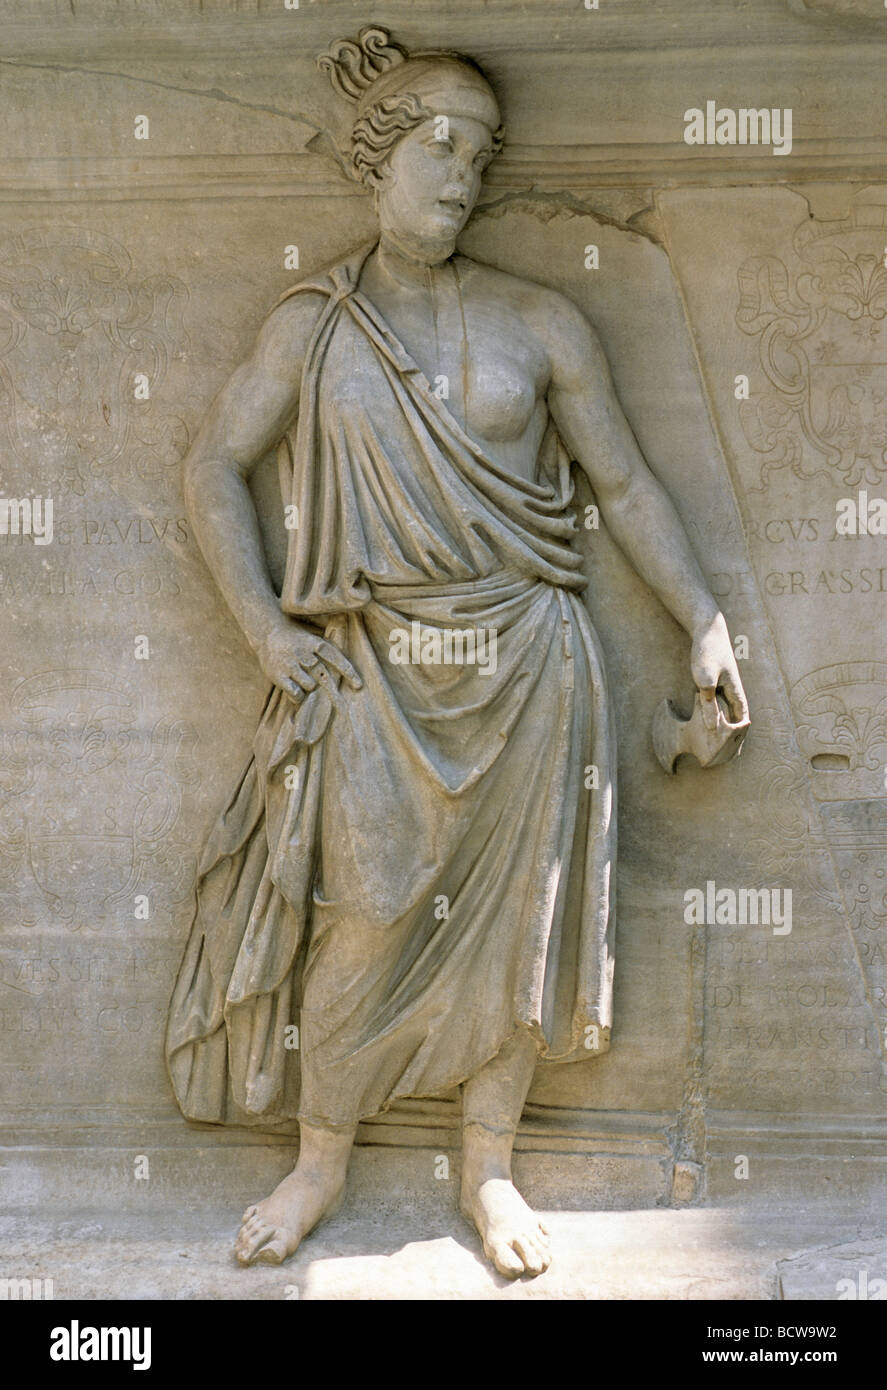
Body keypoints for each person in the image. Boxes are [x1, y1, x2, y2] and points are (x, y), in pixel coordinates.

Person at [165, 27, 748, 1278]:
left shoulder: (541, 320)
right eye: (436, 146)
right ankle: (321, 1158)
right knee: (362, 916)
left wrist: (700, 615)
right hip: (373, 670)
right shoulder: (314, 324)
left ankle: (486, 1164)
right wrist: (266, 628)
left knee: (517, 928)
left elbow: (629, 484)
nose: (459, 175)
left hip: (531, 665)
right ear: (376, 161)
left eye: (478, 156)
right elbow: (212, 464)